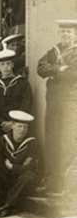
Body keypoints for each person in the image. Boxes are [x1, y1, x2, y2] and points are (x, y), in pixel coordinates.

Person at [37, 19, 77, 192]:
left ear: (75, 34)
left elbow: (74, 74)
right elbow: (41, 69)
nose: (65, 35)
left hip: (70, 101)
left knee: (67, 140)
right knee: (52, 138)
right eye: (63, 32)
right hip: (52, 100)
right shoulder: (53, 51)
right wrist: (60, 68)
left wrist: (55, 71)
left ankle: (65, 181)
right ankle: (52, 180)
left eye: (69, 32)